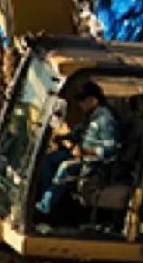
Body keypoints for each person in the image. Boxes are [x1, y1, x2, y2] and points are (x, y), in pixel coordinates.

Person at [35, 81, 119, 218]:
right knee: (48, 160)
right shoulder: (90, 117)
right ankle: (45, 194)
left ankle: (45, 206)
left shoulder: (105, 120)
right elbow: (78, 133)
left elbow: (111, 149)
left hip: (95, 162)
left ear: (93, 100)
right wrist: (61, 137)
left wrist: (85, 151)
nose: (80, 104)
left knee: (64, 167)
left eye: (83, 100)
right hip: (78, 154)